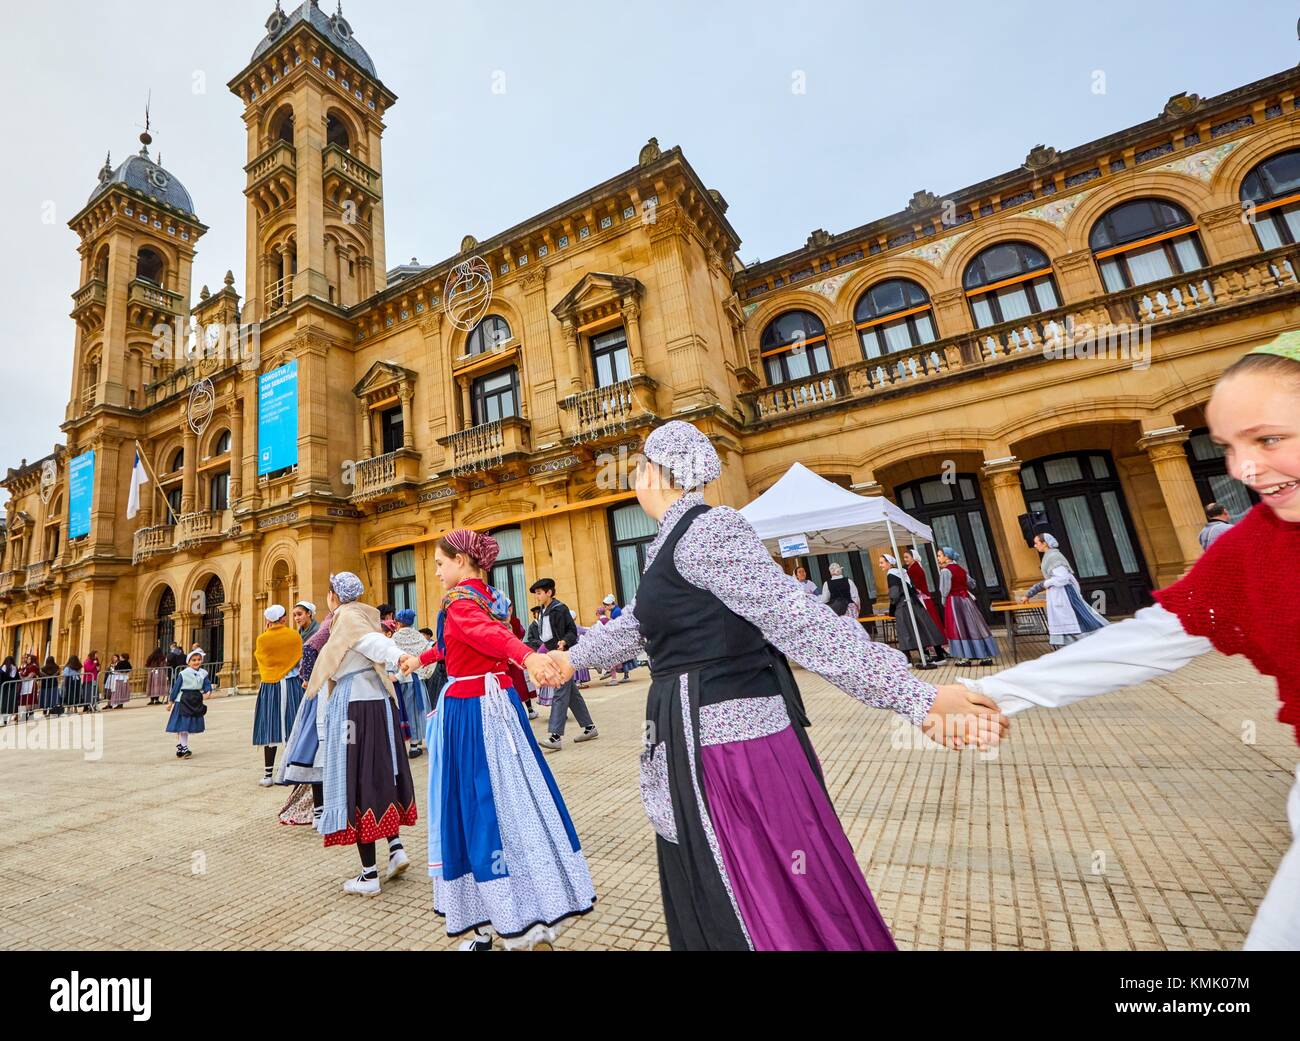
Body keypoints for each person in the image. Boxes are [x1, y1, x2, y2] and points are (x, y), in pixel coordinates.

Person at [556, 420, 1006, 950]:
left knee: (759, 880)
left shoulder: (710, 530)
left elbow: (797, 618)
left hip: (730, 743)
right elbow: (637, 623)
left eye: (637, 465)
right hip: (690, 731)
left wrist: (918, 696)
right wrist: (570, 661)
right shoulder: (665, 545)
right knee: (735, 874)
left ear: (654, 471)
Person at [955, 332, 1300, 949]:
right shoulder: (1253, 546)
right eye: (1229, 446)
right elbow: (1145, 643)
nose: (1245, 470)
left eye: (1269, 438)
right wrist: (984, 692)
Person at [401, 529, 596, 950]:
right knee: (511, 804)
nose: (435, 572)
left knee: (478, 809)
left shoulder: (459, 602)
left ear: (461, 561)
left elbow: (489, 637)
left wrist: (527, 656)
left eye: (439, 563)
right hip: (496, 704)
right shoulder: (490, 597)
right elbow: (464, 643)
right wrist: (421, 656)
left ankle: (502, 920)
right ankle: (517, 910)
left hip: (473, 713)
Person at [305, 573, 416, 897]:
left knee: (356, 778)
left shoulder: (349, 618)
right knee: (382, 773)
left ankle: (369, 875)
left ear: (334, 596)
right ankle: (396, 849)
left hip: (356, 710)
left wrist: (399, 656)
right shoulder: (361, 615)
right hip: (377, 704)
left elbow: (374, 644)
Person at [276, 608, 332, 828]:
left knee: (318, 749)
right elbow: (309, 651)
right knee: (320, 750)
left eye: (300, 614)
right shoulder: (336, 620)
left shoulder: (329, 622)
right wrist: (307, 677)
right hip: (327, 691)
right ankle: (321, 811)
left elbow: (308, 651)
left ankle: (324, 810)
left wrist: (307, 678)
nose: (297, 618)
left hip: (324, 691)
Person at [530, 577, 598, 750]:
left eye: (539, 593)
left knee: (560, 693)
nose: (537, 596)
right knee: (572, 695)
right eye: (536, 594)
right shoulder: (544, 610)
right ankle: (589, 728)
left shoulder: (559, 609)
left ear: (549, 592)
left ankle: (555, 736)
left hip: (563, 655)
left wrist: (564, 642)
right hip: (553, 653)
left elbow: (572, 631)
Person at [1019, 533, 1109, 645]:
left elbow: (1062, 577)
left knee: (1076, 617)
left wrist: (1046, 583)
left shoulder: (1054, 557)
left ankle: (1096, 642)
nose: (1035, 545)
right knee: (1070, 619)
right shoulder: (1049, 555)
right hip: (1059, 593)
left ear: (1045, 543)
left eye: (1037, 543)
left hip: (1065, 594)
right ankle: (1084, 645)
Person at [253, 605, 305, 786]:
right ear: (283, 619)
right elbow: (300, 658)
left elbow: (261, 658)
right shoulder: (293, 635)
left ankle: (268, 775)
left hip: (269, 685)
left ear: (268, 620)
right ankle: (293, 771)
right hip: (291, 684)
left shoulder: (262, 639)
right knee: (294, 725)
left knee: (270, 726)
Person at [879, 554, 945, 668]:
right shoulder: (902, 572)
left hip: (903, 606)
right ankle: (938, 655)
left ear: (889, 563)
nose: (880, 565)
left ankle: (908, 660)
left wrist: (892, 608)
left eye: (882, 563)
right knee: (924, 628)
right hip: (914, 603)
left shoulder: (891, 574)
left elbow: (894, 593)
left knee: (904, 631)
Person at [935, 547, 998, 666]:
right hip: (966, 601)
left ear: (947, 557)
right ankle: (984, 656)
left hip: (954, 602)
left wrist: (944, 602)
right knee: (974, 626)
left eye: (939, 555)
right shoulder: (961, 569)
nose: (938, 558)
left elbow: (944, 590)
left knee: (958, 628)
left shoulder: (945, 571)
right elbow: (972, 584)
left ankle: (964, 658)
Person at [390, 608, 430, 758]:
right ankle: (417, 742)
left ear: (399, 622)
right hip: (418, 680)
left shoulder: (395, 638)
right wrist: (423, 673)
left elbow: (391, 657)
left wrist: (396, 675)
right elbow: (428, 653)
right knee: (419, 711)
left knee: (405, 711)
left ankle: (408, 743)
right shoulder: (419, 637)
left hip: (402, 680)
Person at [166, 649, 212, 758]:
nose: (197, 662)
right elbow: (176, 688)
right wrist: (171, 702)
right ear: (188, 662)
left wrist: (208, 691)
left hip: (195, 699)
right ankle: (184, 747)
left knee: (188, 725)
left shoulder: (203, 673)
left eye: (199, 660)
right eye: (194, 660)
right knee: (183, 725)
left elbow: (207, 684)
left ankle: (181, 747)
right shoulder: (183, 673)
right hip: (183, 700)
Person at [0, 655, 17, 725]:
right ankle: (6, 720)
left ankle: (3, 720)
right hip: (11, 688)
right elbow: (16, 678)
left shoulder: (2, 667)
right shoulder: (14, 668)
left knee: (3, 704)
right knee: (9, 704)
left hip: (3, 688)